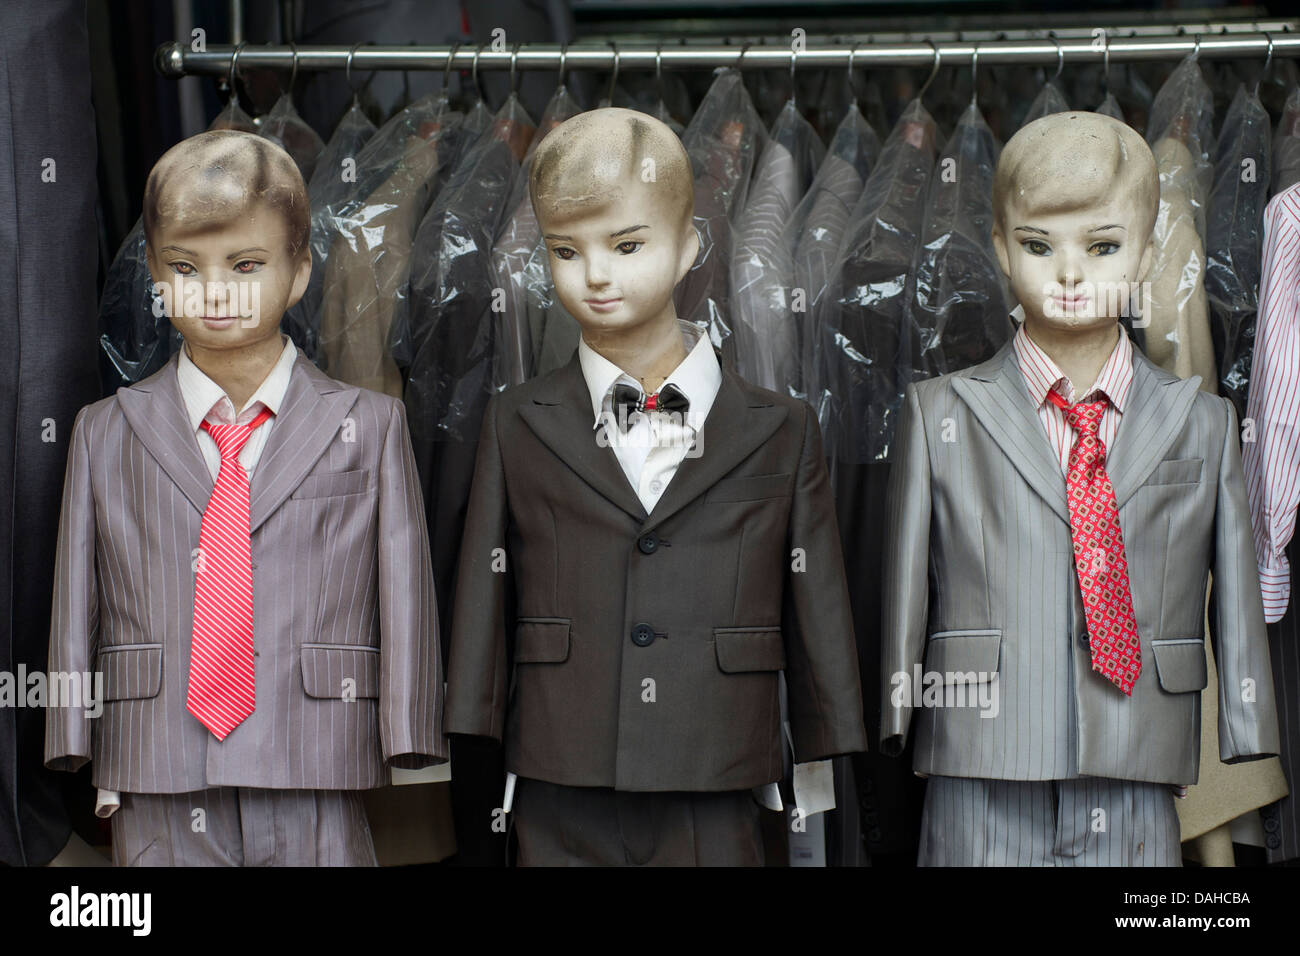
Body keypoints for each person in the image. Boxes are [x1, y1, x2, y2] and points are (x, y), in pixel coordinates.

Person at [444, 108, 867, 866]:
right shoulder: (515, 420)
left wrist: (824, 760)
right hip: (558, 766)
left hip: (720, 765)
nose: (596, 274)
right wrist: (476, 738)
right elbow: (485, 595)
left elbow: (818, 617)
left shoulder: (781, 427)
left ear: (688, 247)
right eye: (566, 251)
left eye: (627, 244)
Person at [881, 111, 1280, 866]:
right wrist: (898, 708)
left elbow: (1230, 594)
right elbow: (906, 581)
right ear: (1000, 247)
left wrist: (1246, 721)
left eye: (1102, 246)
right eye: (1039, 245)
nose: (1070, 272)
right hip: (982, 753)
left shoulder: (1202, 423)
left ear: (1149, 248)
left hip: (1140, 746)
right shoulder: (939, 413)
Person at [45, 130, 444, 866]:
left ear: (300, 272)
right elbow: (79, 595)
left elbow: (403, 587)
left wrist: (408, 730)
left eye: (248, 264)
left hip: (314, 748)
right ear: (157, 278)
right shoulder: (105, 431)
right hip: (156, 754)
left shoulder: (369, 424)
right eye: (186, 268)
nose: (217, 291)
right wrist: (73, 732)